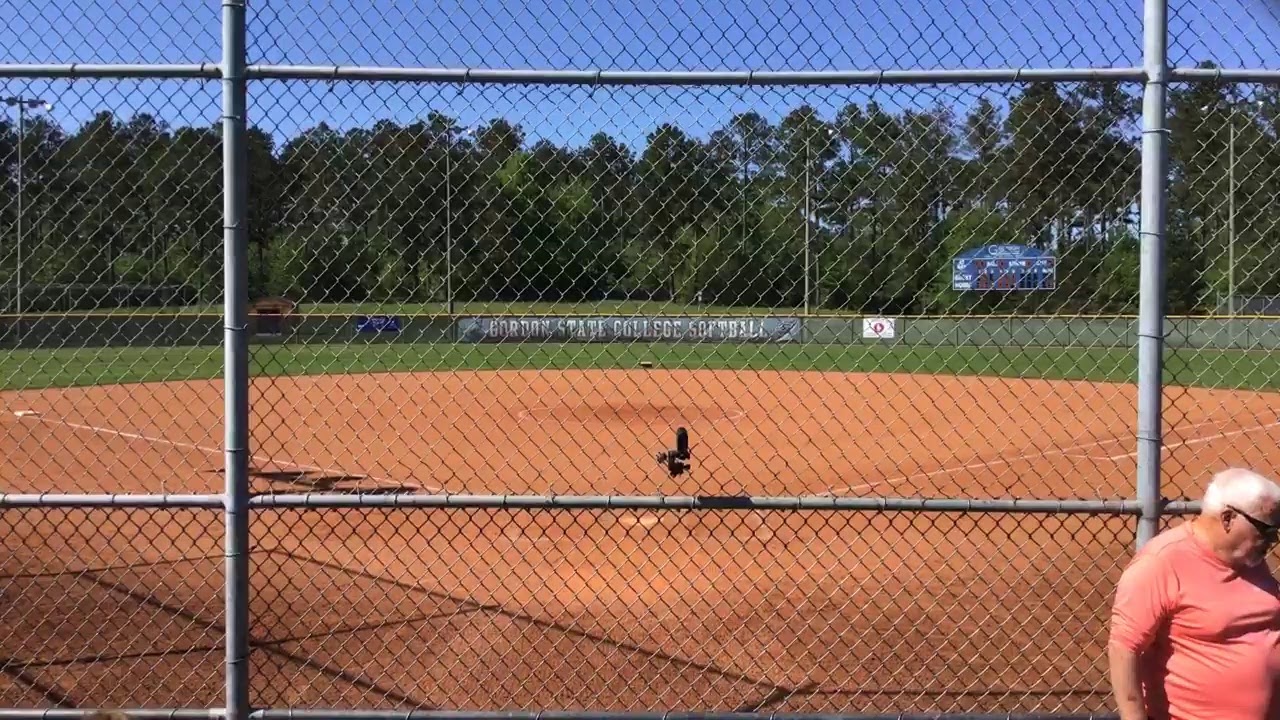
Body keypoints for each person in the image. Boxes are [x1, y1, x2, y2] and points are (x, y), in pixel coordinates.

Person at [1109, 467, 1280, 720]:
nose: (1272, 540)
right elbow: (1124, 649)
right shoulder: (1162, 562)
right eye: (1266, 530)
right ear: (1228, 518)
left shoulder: (1250, 559)